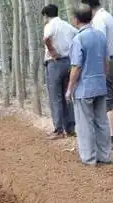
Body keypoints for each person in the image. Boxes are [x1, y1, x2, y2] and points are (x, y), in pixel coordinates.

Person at [66, 5, 111, 166]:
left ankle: (89, 158)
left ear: (76, 20)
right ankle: (105, 155)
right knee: (102, 122)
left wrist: (70, 88)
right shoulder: (100, 36)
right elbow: (106, 63)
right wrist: (102, 79)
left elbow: (76, 66)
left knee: (85, 124)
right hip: (100, 85)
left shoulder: (78, 39)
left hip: (84, 88)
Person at [84, 0, 113, 149]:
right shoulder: (108, 16)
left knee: (108, 100)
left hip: (103, 63)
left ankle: (112, 138)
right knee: (108, 99)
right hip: (111, 60)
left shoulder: (98, 20)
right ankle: (109, 137)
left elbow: (99, 44)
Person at [42, 4, 77, 139]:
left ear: (46, 15)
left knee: (55, 97)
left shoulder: (50, 25)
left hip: (54, 63)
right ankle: (71, 128)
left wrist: (52, 51)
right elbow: (76, 35)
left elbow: (46, 38)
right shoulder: (66, 25)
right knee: (67, 95)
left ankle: (58, 130)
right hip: (68, 62)